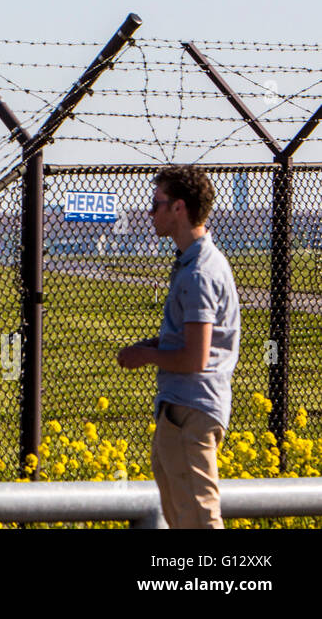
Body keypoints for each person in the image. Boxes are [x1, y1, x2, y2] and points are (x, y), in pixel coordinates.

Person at [118, 164, 240, 528]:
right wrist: (155, 344)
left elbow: (194, 356)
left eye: (157, 203)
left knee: (200, 521)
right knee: (181, 518)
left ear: (179, 208)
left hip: (191, 411)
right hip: (181, 411)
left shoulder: (200, 272)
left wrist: (144, 355)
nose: (150, 212)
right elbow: (190, 339)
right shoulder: (193, 265)